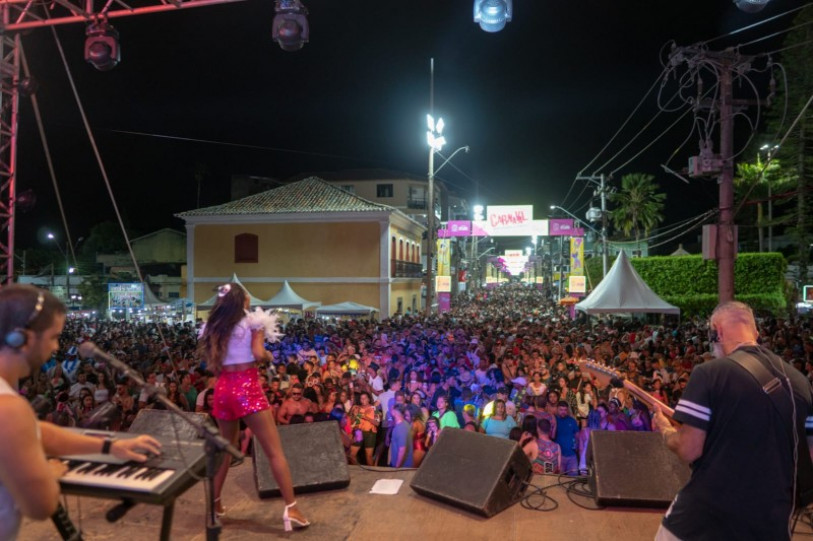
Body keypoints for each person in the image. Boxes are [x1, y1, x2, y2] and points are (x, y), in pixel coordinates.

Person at [0, 285, 161, 541]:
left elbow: (35, 432)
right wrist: (50, 471)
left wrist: (109, 446)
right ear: (22, 338)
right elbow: (41, 506)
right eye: (53, 337)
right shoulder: (8, 409)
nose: (56, 347)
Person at [652, 301, 813, 541]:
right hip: (771, 523)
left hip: (703, 520)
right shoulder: (800, 381)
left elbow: (689, 449)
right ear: (755, 332)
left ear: (717, 330)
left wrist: (666, 431)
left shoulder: (709, 373)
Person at [197, 283, 309, 531]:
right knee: (274, 452)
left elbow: (213, 366)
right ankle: (291, 508)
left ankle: (214, 508)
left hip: (223, 390)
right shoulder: (253, 322)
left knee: (226, 450)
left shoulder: (214, 327)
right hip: (247, 388)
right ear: (243, 301)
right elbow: (258, 353)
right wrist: (269, 357)